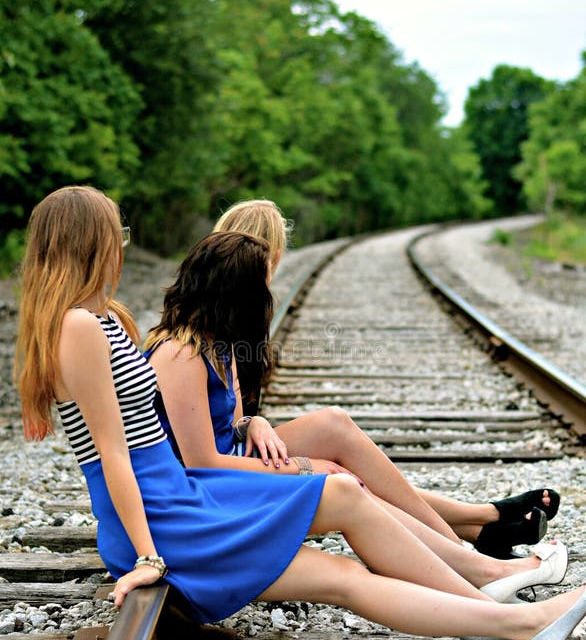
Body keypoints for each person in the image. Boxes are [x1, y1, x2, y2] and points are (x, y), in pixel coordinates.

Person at [14, 184, 586, 640]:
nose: (122, 247)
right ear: (92, 244)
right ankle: (518, 620)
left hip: (182, 494)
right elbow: (114, 455)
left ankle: (501, 606)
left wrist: (251, 426)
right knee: (343, 577)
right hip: (164, 518)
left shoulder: (104, 318)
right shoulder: (78, 328)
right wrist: (147, 557)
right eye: (117, 235)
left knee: (345, 495)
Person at [145, 227, 558, 558]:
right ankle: (472, 543)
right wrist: (306, 467)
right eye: (264, 284)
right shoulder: (182, 353)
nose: (268, 294)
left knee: (335, 424)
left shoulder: (217, 341)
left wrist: (254, 423)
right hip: (206, 485)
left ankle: (466, 543)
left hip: (233, 456)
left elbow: (231, 422)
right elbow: (202, 462)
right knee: (347, 480)